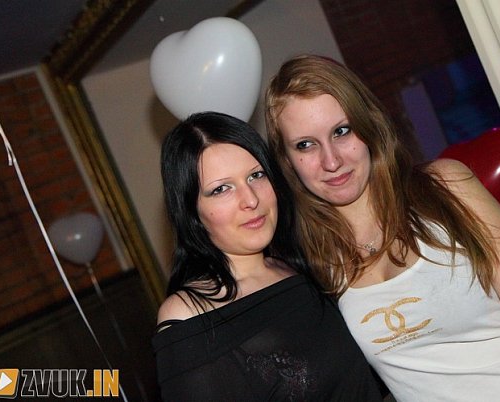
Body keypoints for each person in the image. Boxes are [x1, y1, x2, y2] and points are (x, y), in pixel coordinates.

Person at [265, 54, 500, 402]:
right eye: (305, 145)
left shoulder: (446, 189)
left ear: (368, 125)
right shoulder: (314, 262)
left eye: (342, 131)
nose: (331, 160)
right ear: (287, 160)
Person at [152, 111, 386, 401]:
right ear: (192, 211)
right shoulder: (189, 313)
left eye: (256, 175)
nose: (251, 199)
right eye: (221, 189)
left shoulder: (306, 266)